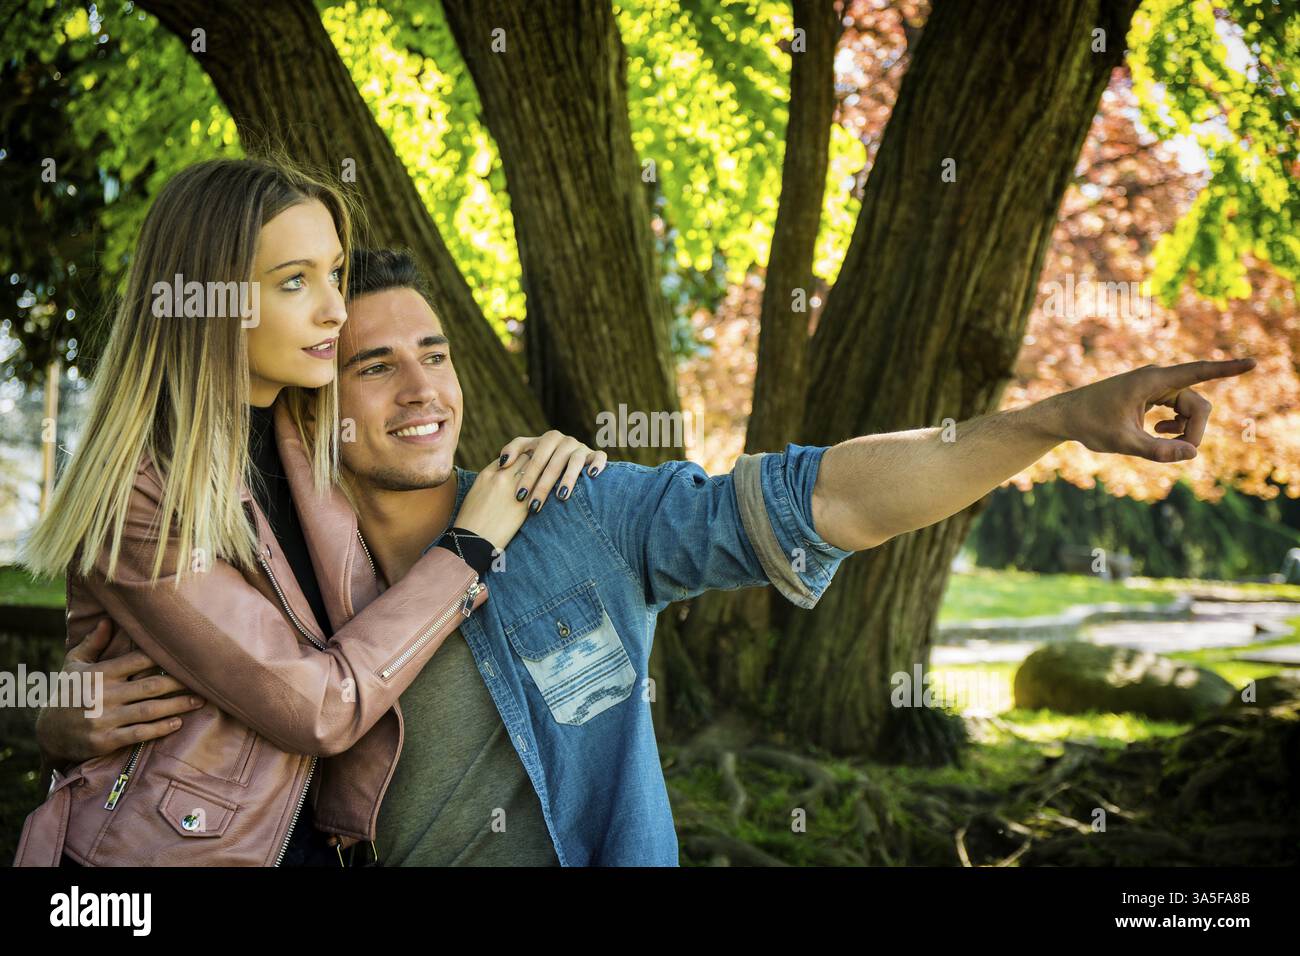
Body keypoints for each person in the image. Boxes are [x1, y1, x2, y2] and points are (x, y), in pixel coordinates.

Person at [38, 246, 1257, 865]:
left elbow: (819, 494)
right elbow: (156, 730)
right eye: (374, 364)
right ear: (312, 401)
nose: (426, 389)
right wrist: (59, 721)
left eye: (438, 352)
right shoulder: (273, 587)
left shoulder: (577, 509)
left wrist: (1046, 420)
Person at [13, 161, 603, 867]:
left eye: (334, 273)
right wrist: (471, 547)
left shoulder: (313, 430)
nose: (334, 309)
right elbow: (318, 707)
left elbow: (422, 454)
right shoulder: (142, 495)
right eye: (295, 281)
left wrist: (550, 458)